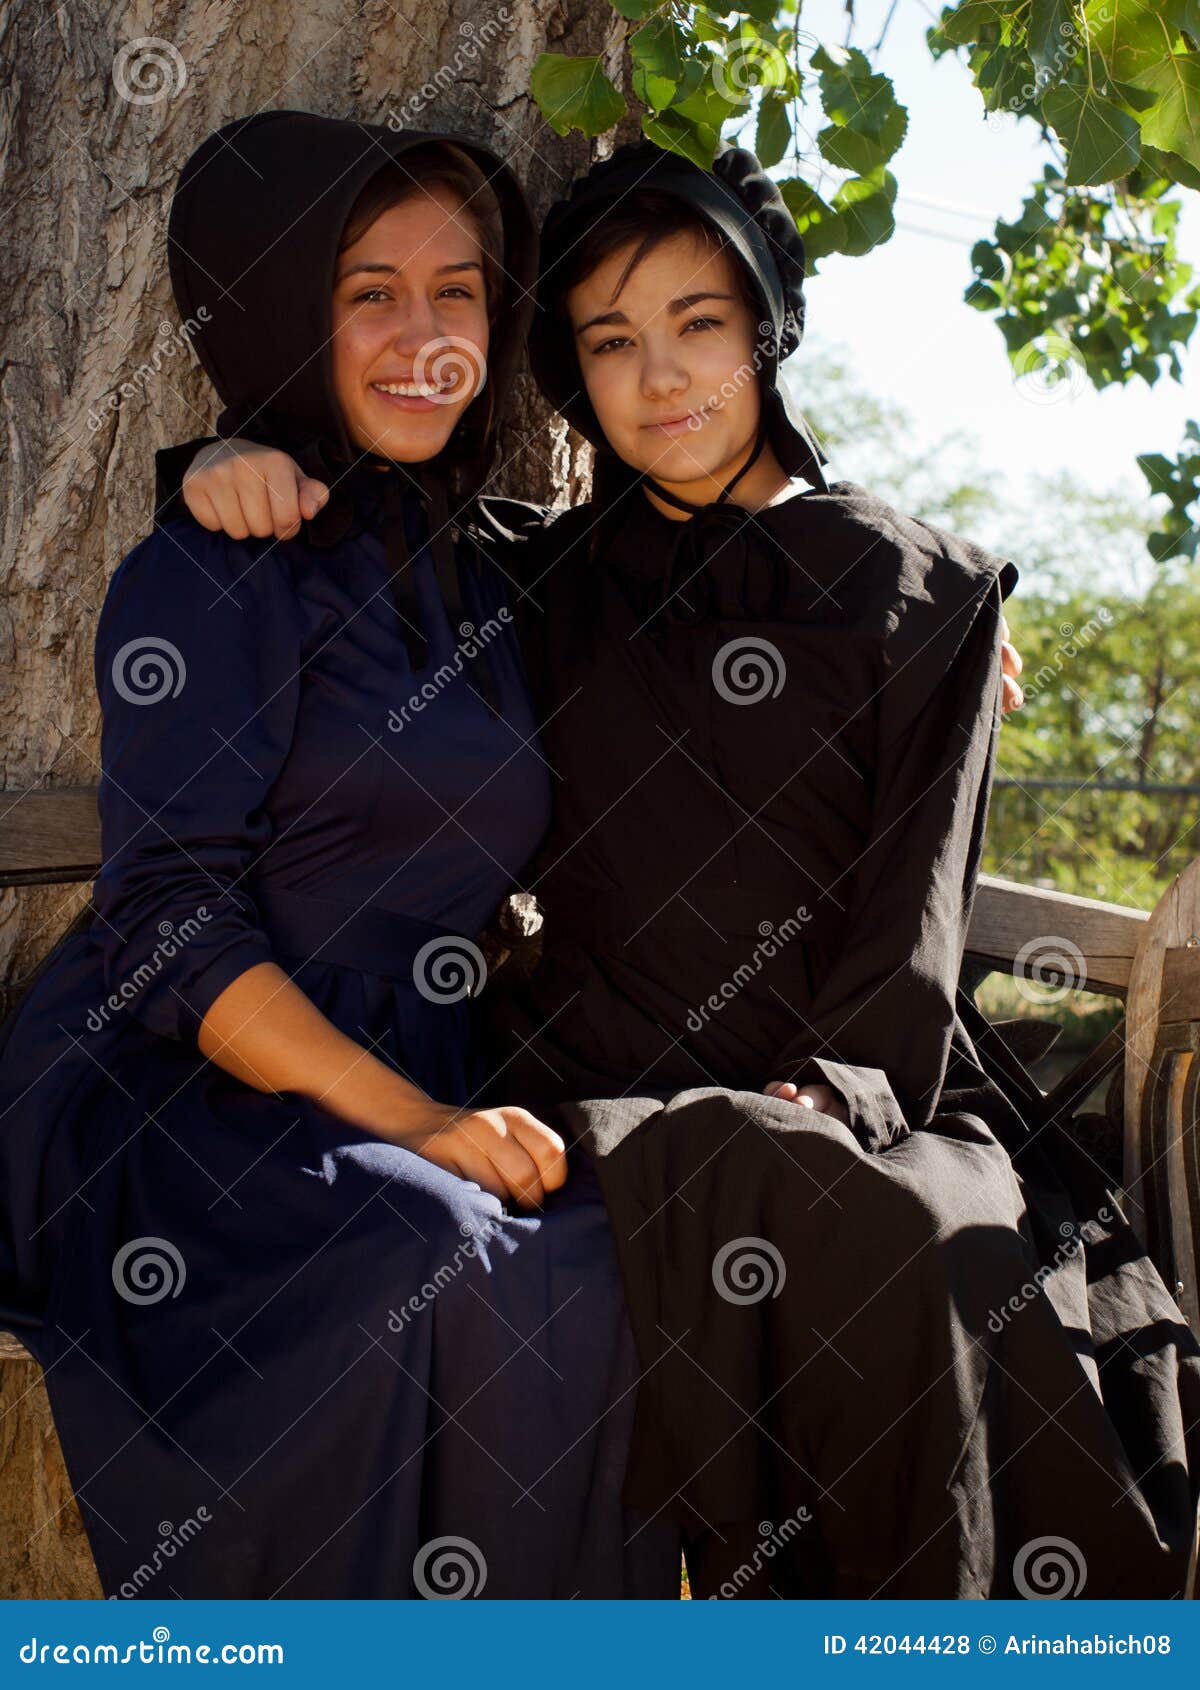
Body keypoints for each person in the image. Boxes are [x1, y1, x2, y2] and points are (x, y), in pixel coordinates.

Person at [169, 145, 1200, 1600]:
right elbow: (348, 535)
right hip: (590, 1072)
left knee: (917, 1231)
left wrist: (836, 1089)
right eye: (609, 342)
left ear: (766, 328)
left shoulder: (934, 591)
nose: (661, 378)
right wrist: (211, 456)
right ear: (571, 376)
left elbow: (916, 921)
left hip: (854, 1075)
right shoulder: (535, 577)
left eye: (698, 323)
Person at [0, 111, 683, 1600]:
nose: (425, 332)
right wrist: (422, 1121)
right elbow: (170, 927)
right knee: (438, 1252)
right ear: (282, 313)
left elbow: (706, 573)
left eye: (460, 292)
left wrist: (941, 623)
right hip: (189, 1084)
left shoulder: (489, 569)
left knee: (598, 1248)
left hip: (414, 1052)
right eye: (368, 290)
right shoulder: (213, 561)